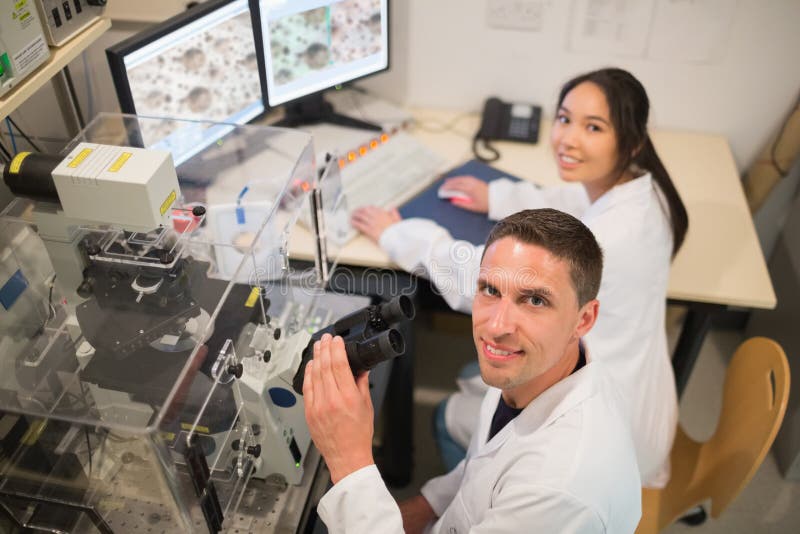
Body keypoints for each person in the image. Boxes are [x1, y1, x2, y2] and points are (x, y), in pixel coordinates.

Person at [351, 67, 688, 487]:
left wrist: (397, 233)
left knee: (448, 415)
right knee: (478, 369)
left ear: (633, 142)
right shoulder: (645, 192)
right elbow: (571, 202)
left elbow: (477, 279)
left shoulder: (612, 237)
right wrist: (496, 196)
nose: (567, 139)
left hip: (604, 442)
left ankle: (480, 496)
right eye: (564, 119)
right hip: (635, 398)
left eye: (593, 127)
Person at [304, 209, 641, 533]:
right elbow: (484, 465)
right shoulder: (536, 367)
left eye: (535, 301)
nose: (496, 326)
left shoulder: (557, 491)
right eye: (490, 290)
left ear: (584, 319)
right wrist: (424, 506)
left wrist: (349, 460)